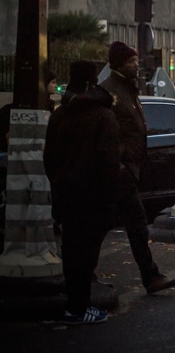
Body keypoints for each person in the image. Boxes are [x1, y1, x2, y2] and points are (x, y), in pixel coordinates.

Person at [100, 41, 175, 295]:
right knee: (133, 224)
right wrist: (122, 162)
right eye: (132, 61)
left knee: (116, 225)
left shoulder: (128, 89)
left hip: (128, 169)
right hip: (119, 171)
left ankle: (150, 276)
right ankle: (150, 276)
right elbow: (108, 133)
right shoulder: (110, 92)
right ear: (119, 64)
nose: (137, 65)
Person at [44, 61, 120, 324]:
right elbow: (109, 162)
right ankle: (80, 307)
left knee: (71, 249)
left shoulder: (60, 115)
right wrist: (111, 199)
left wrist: (59, 183)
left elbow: (49, 158)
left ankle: (75, 306)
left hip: (67, 194)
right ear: (93, 82)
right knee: (87, 254)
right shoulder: (103, 116)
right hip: (95, 197)